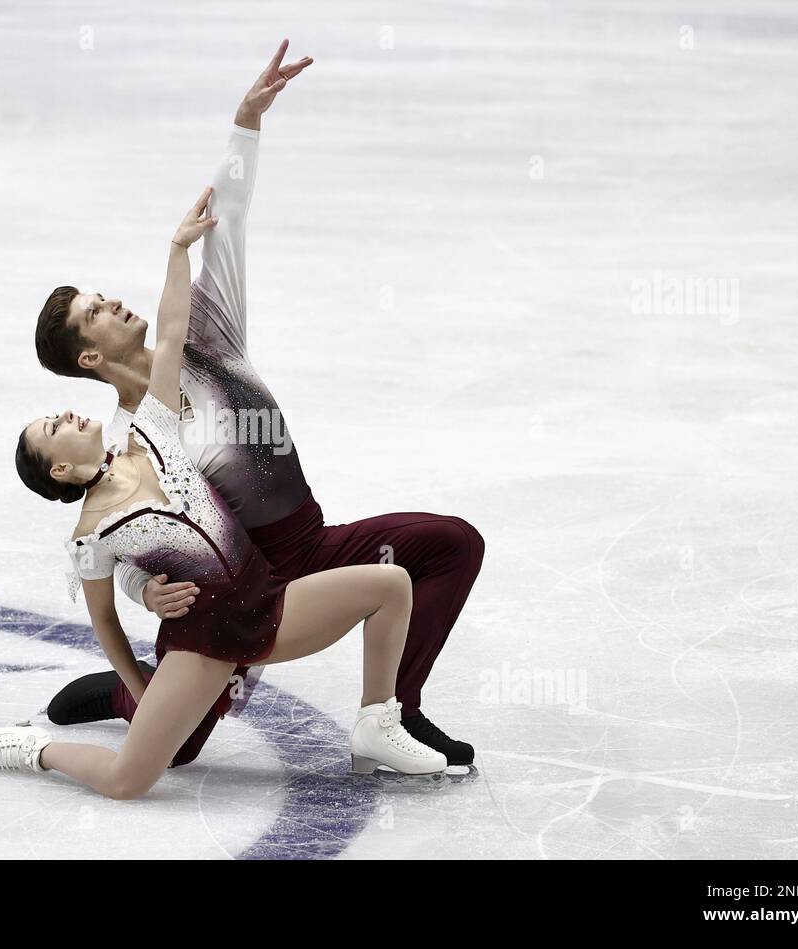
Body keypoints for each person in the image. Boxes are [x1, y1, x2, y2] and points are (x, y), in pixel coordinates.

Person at [34, 40, 484, 768]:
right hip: (237, 583)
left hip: (313, 543)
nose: (113, 300)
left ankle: (395, 714)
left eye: (102, 294)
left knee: (450, 544)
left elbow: (228, 222)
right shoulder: (128, 438)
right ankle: (129, 696)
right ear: (89, 357)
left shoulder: (211, 332)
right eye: (96, 311)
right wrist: (146, 592)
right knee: (175, 751)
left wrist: (247, 121)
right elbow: (123, 535)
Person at [0, 190, 447, 798]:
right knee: (142, 775)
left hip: (263, 600)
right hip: (203, 633)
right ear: (58, 471)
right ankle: (37, 749)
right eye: (54, 427)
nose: (67, 417)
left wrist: (179, 247)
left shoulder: (149, 434)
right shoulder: (89, 534)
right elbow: (105, 617)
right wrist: (140, 669)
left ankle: (379, 722)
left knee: (391, 583)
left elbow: (176, 325)